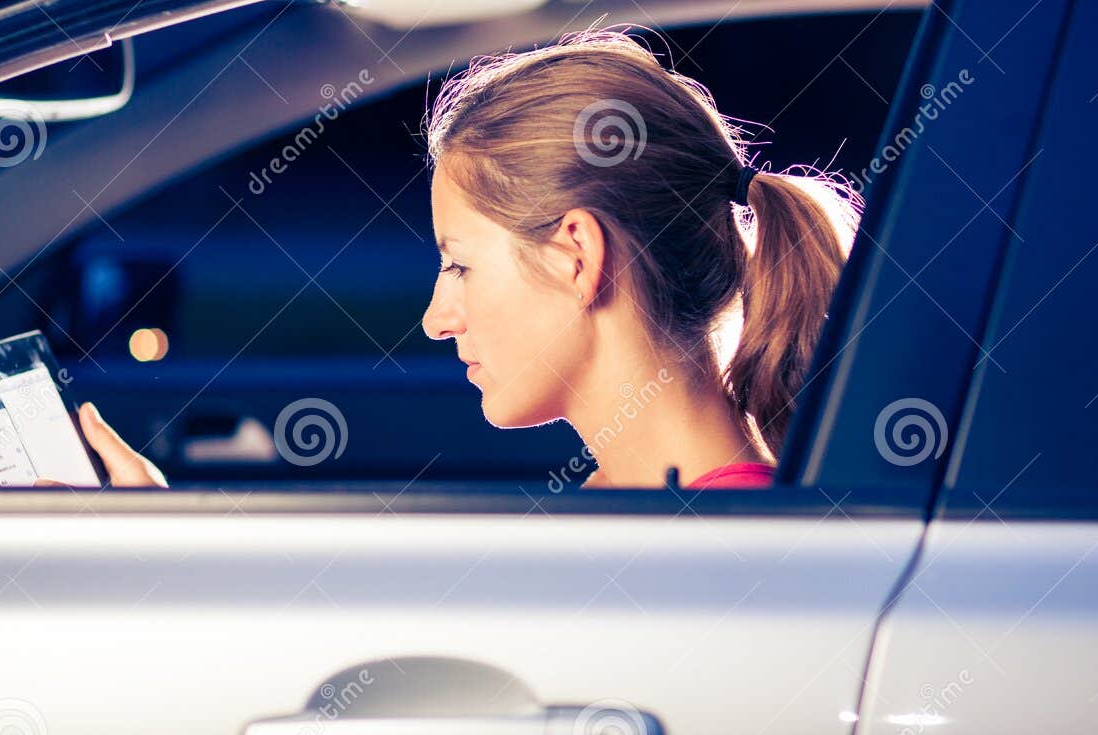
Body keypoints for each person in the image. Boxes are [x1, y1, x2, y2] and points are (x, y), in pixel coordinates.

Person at [59, 29, 860, 490]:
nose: (438, 318)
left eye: (461, 266)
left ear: (576, 254)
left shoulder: (692, 558)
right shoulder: (645, 510)